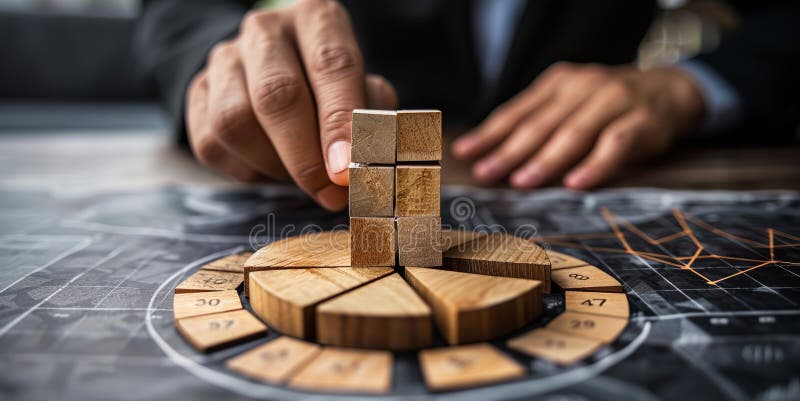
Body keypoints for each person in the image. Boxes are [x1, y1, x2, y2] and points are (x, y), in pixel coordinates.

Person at [135, 0, 800, 211]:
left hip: (598, 170)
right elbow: (179, 8)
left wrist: (700, 82)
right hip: (337, 166)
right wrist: (218, 65)